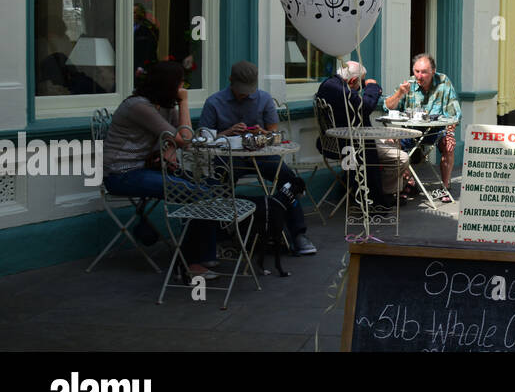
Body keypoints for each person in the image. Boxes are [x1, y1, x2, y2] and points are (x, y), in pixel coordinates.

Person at [102, 61, 216, 276]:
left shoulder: (163, 106)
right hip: (121, 174)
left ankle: (205, 255)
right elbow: (185, 139)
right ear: (169, 84)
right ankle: (191, 263)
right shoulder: (139, 106)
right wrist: (184, 102)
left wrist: (169, 150)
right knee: (197, 194)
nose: (183, 87)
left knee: (209, 184)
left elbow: (179, 139)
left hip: (145, 167)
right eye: (181, 83)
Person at [199, 61, 315, 255]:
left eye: (248, 91)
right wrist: (227, 132)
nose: (245, 95)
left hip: (262, 156)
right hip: (229, 157)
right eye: (241, 91)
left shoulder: (263, 98)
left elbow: (274, 134)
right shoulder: (214, 102)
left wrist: (263, 133)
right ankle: (221, 237)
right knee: (217, 182)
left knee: (288, 179)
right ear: (230, 81)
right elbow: (204, 139)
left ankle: (298, 234)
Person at [316, 61, 408, 208]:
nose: (360, 87)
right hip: (351, 144)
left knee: (392, 142)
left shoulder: (329, 85)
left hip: (332, 141)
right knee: (401, 158)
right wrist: (372, 87)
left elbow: (354, 102)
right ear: (352, 81)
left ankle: (380, 189)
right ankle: (380, 196)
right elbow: (366, 106)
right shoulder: (343, 92)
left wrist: (364, 83)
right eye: (360, 82)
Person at [385, 53, 462, 203]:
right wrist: (400, 93)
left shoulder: (443, 82)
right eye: (417, 71)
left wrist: (450, 133)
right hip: (411, 131)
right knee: (390, 143)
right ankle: (409, 181)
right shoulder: (409, 83)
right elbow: (388, 106)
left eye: (424, 72)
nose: (419, 76)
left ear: (433, 71)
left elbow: (454, 113)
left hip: (436, 132)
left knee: (448, 144)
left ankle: (445, 187)